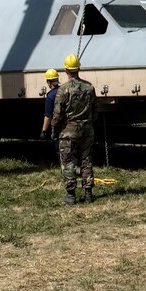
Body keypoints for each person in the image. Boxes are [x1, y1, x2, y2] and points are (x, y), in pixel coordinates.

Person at [50, 53, 97, 205]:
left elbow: (57, 114)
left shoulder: (63, 90)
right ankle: (88, 194)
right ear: (78, 68)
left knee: (68, 163)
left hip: (68, 132)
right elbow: (95, 110)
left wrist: (54, 130)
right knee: (86, 161)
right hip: (87, 130)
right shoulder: (89, 87)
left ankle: (71, 196)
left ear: (66, 70)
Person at [39, 68, 59, 140]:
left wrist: (43, 131)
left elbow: (48, 116)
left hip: (58, 129)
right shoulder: (64, 91)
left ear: (48, 82)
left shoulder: (50, 96)